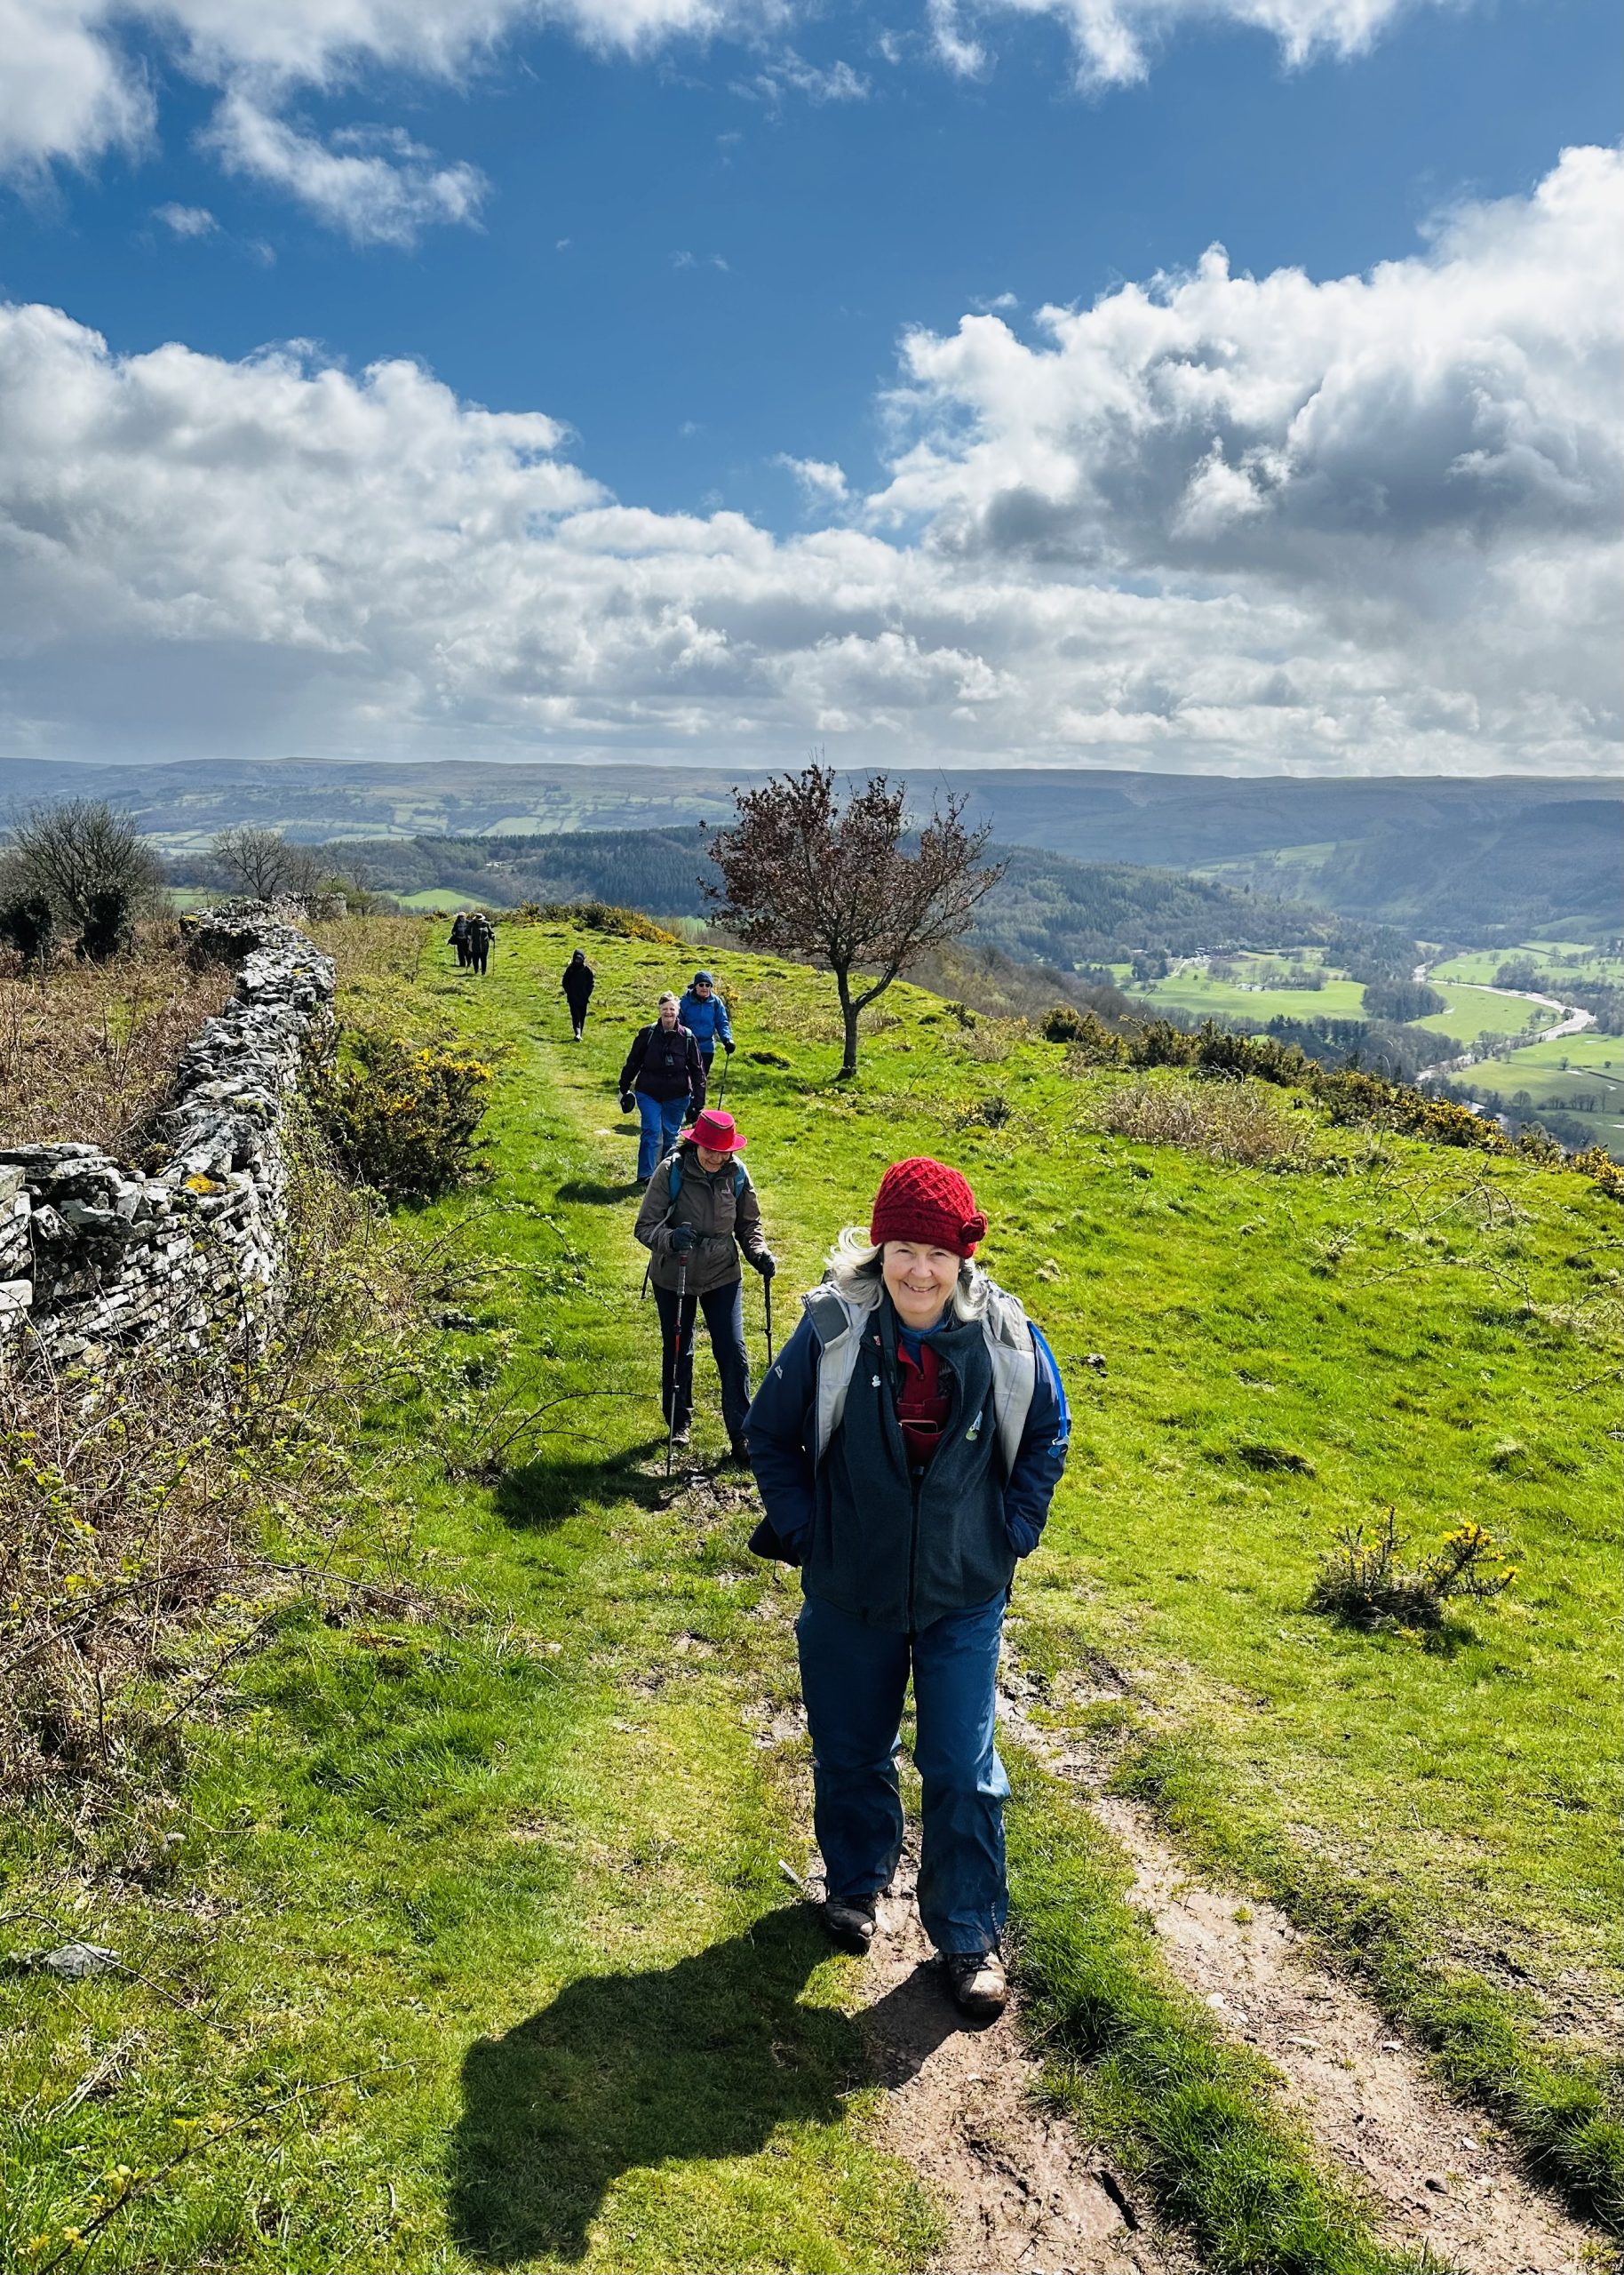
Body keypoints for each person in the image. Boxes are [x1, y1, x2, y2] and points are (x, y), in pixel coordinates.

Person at [743, 1157, 1069, 2022]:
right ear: (877, 1247)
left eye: (935, 1251)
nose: (918, 1270)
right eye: (902, 1249)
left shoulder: (1003, 1334)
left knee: (961, 1766)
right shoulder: (833, 1327)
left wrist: (1014, 1532)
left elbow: (1048, 1431)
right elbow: (768, 1435)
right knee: (851, 1748)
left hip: (964, 1587)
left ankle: (967, 1935)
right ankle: (854, 1885)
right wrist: (812, 1534)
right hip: (850, 1587)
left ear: (962, 1254)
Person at [634, 1107, 775, 1461]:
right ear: (696, 1143)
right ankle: (678, 1423)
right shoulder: (671, 1172)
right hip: (674, 1272)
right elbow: (645, 1226)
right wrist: (670, 1238)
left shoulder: (737, 1174)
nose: (715, 1156)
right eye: (709, 1148)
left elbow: (749, 1224)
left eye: (722, 1150)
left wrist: (758, 1252)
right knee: (679, 1347)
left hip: (722, 1273)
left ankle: (742, 1435)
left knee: (733, 1351)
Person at [618, 993, 706, 1183]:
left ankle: (665, 1177)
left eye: (672, 1009)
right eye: (665, 1009)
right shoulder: (647, 1034)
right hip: (648, 1092)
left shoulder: (688, 1037)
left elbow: (698, 1071)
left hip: (677, 1095)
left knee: (670, 1135)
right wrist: (623, 1087)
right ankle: (645, 1176)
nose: (668, 1013)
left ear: (678, 1012)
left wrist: (698, 1104)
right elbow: (633, 1062)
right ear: (659, 1011)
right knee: (651, 1130)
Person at [679, 970, 734, 1082]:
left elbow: (722, 1022)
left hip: (707, 1048)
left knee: (701, 1080)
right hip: (688, 1047)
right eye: (701, 984)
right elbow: (678, 1024)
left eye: (708, 985)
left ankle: (698, 1100)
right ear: (695, 986)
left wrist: (727, 1039)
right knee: (686, 1080)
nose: (705, 987)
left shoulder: (716, 1002)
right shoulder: (684, 1002)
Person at [561, 948, 595, 1041]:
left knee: (582, 1016)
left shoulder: (587, 970)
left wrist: (587, 993)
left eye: (579, 959)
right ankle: (578, 1034)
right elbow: (565, 982)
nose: (577, 961)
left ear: (583, 959)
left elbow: (591, 983)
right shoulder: (570, 969)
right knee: (575, 1016)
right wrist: (569, 992)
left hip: (583, 998)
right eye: (576, 959)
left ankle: (580, 1034)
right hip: (573, 998)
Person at [466, 912, 495, 976]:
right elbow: (466, 931)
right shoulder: (471, 924)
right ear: (475, 919)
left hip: (484, 945)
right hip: (474, 944)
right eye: (478, 920)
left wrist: (492, 936)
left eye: (481, 920)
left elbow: (490, 932)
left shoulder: (486, 924)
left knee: (484, 959)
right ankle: (476, 970)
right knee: (475, 959)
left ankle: (483, 972)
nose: (479, 921)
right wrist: (469, 936)